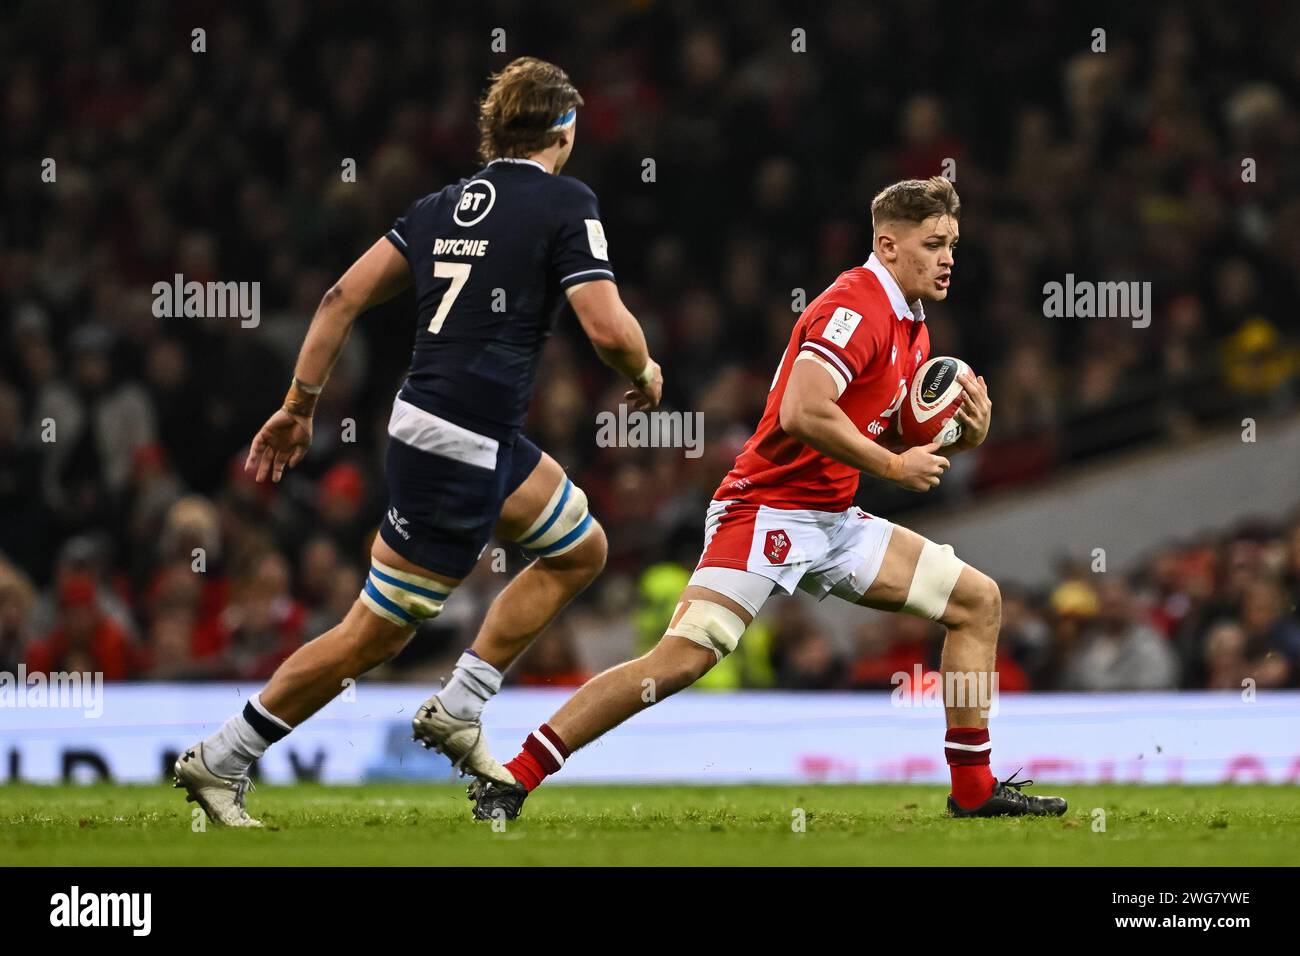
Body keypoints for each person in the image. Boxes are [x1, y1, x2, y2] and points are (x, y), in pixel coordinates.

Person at [473, 177, 1066, 820]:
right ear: (889, 245)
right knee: (676, 661)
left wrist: (964, 436)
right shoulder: (857, 307)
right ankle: (515, 775)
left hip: (834, 518)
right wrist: (895, 464)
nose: (949, 257)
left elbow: (868, 424)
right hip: (767, 510)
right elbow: (804, 411)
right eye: (934, 243)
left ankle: (974, 789)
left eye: (952, 243)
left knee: (977, 601)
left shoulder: (910, 322)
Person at [174, 57, 662, 826]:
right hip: (460, 445)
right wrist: (644, 366)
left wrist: (299, 406)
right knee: (370, 637)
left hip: (460, 430)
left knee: (581, 547)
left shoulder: (438, 206)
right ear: (564, 132)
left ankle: (460, 706)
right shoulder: (567, 201)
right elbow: (606, 327)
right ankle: (222, 757)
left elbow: (340, 298)